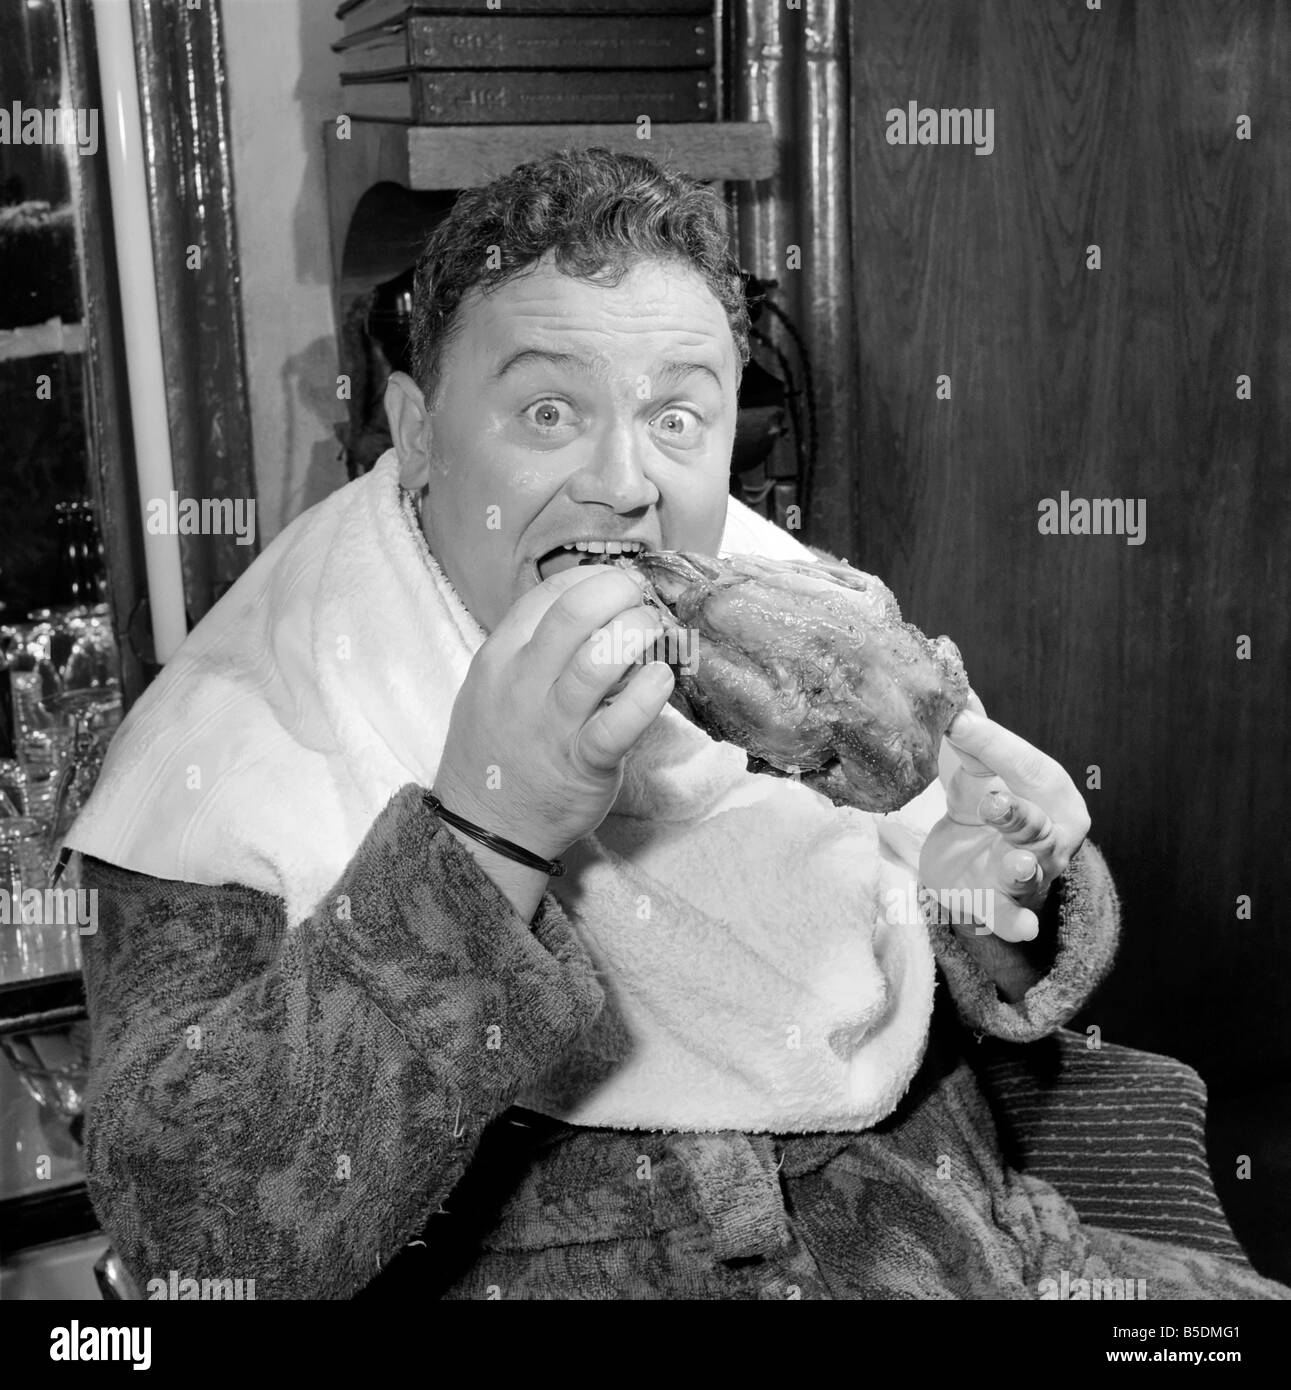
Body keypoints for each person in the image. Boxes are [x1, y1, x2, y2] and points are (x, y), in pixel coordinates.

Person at [66, 148, 1285, 1300]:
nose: (627, 479)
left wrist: (974, 887)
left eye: (678, 416)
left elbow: (943, 972)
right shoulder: (235, 749)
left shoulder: (779, 608)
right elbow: (193, 1242)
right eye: (549, 412)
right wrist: (486, 837)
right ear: (419, 430)